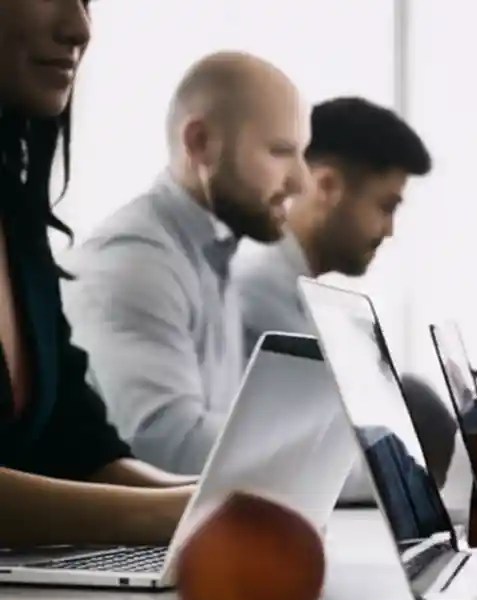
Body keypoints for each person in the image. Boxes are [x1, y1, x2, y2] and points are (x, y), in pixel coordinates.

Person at [0, 0, 191, 549]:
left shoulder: (15, 211)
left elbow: (77, 445)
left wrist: (208, 499)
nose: (79, 27)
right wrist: (168, 517)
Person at [62, 52, 309, 474]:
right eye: (281, 151)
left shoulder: (213, 254)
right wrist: (359, 465)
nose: (300, 181)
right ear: (199, 143)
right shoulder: (137, 260)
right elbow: (168, 448)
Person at [230, 96, 431, 345]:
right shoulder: (259, 287)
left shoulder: (288, 287)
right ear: (327, 187)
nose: (389, 230)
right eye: (386, 207)